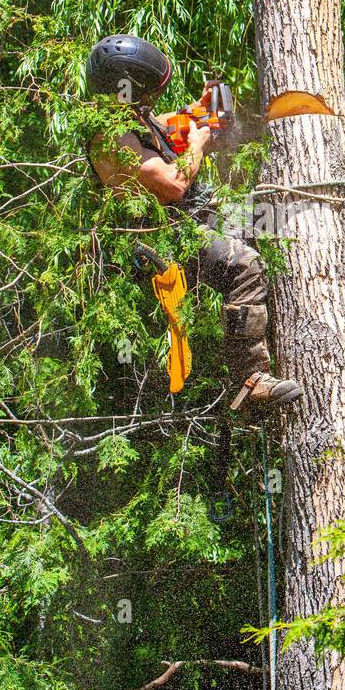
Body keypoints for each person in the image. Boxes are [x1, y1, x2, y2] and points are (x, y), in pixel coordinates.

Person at [85, 34, 302, 411]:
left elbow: (182, 124)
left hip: (195, 223)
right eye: (148, 93)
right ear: (129, 89)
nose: (153, 101)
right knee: (243, 265)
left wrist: (205, 111)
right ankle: (250, 379)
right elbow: (172, 185)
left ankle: (316, 335)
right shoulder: (111, 139)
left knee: (276, 218)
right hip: (166, 242)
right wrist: (198, 143)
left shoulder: (139, 120)